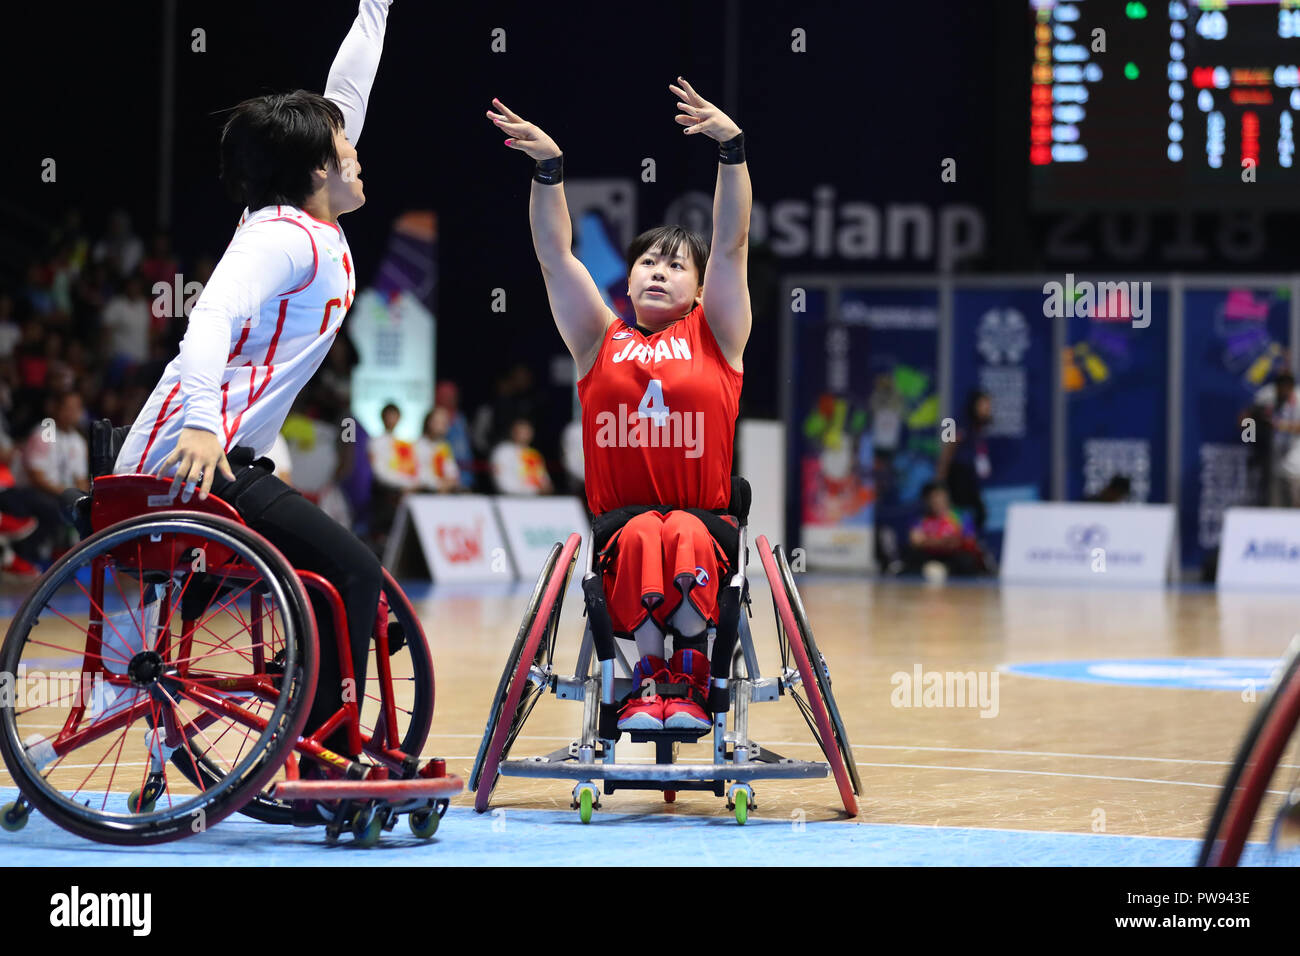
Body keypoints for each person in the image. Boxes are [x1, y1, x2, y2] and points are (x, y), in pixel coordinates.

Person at [112, 0, 395, 766]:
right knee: (353, 569)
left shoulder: (304, 214)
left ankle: (314, 714)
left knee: (339, 581)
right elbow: (207, 322)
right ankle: (323, 754)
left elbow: (350, 89)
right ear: (315, 171)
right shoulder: (278, 237)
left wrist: (377, 7)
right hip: (193, 458)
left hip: (224, 459)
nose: (358, 150)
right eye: (346, 146)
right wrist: (203, 424)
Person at [488, 75, 750, 732]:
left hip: (704, 525)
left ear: (697, 289)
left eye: (675, 265)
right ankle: (647, 680)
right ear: (627, 281)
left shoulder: (716, 334)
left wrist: (732, 152)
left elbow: (732, 245)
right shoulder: (597, 340)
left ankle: (688, 680)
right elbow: (553, 256)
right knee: (642, 534)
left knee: (680, 531)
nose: (658, 271)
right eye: (647, 264)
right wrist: (549, 170)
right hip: (620, 525)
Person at [936, 388, 993, 536]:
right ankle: (958, 539)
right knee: (960, 509)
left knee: (977, 511)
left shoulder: (977, 427)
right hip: (957, 474)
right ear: (975, 405)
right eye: (984, 405)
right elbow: (949, 447)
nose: (988, 409)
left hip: (968, 474)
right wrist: (942, 474)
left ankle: (967, 538)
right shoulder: (961, 422)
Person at [905, 482, 987, 580]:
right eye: (933, 498)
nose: (937, 501)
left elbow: (969, 539)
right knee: (914, 558)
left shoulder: (960, 516)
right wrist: (943, 542)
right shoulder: (921, 520)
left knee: (966, 560)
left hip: (954, 558)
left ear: (947, 498)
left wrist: (930, 540)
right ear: (927, 500)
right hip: (929, 556)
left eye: (940, 497)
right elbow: (916, 541)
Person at [490, 417, 551, 495]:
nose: (524, 434)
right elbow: (502, 482)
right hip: (512, 500)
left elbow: (544, 480)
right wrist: (530, 491)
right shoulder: (502, 452)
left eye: (527, 431)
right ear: (513, 431)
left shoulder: (533, 454)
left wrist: (545, 487)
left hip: (536, 500)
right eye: (521, 431)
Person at [416, 406, 461, 492]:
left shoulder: (444, 447)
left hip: (443, 491)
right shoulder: (416, 446)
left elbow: (453, 473)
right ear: (428, 422)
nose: (443, 426)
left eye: (445, 422)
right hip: (424, 492)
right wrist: (437, 484)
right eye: (438, 422)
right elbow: (417, 475)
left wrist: (448, 483)